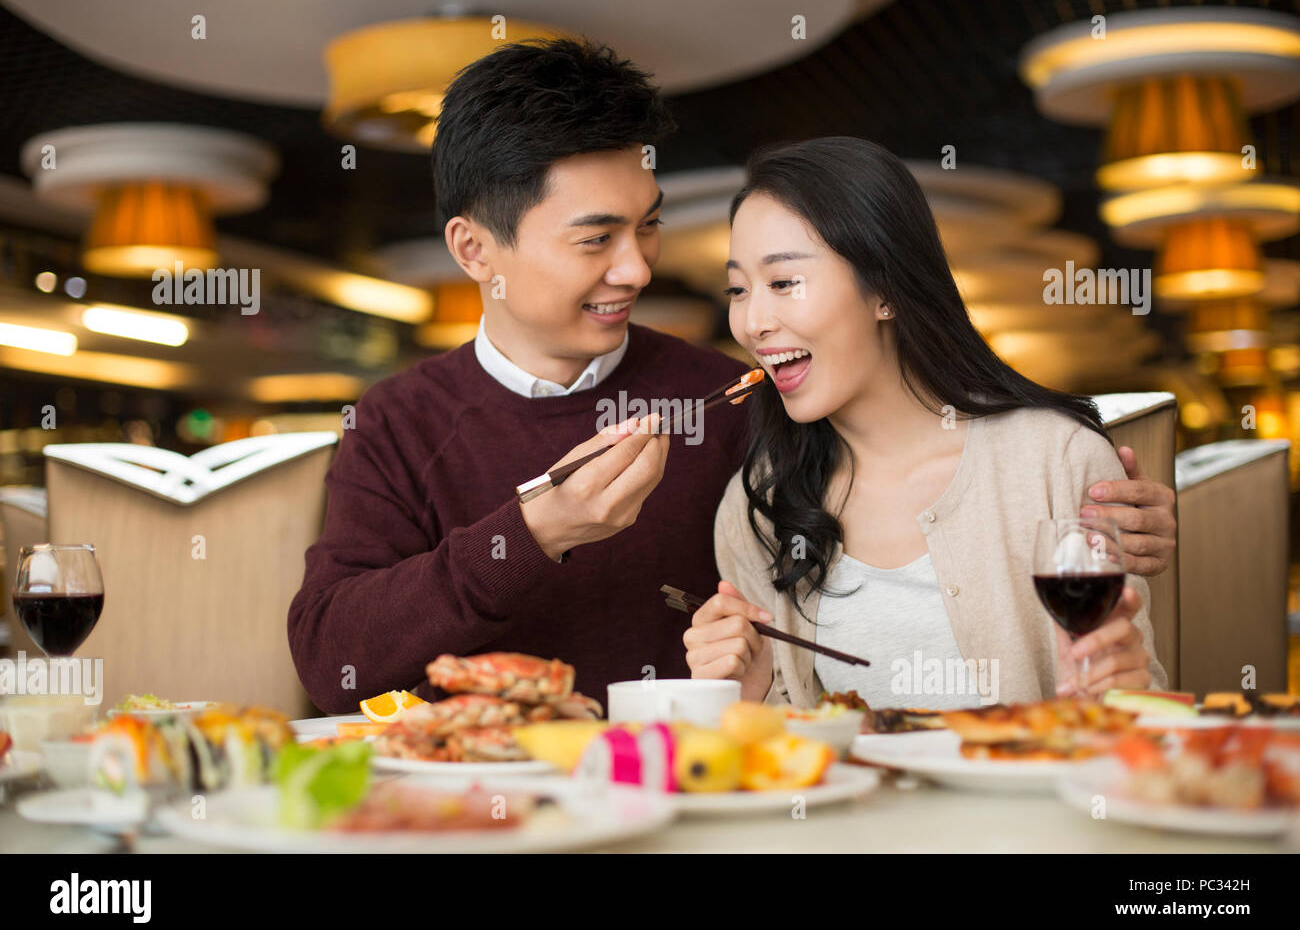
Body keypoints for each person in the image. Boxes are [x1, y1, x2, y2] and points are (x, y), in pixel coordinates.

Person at [288, 40, 1176, 715]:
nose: (636, 270)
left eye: (648, 228)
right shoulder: (398, 421)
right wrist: (531, 533)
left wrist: (1106, 510)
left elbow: (928, 476)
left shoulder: (740, 406)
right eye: (596, 239)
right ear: (475, 250)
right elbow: (333, 659)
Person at [684, 137, 1172, 709]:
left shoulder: (1055, 460)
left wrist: (1121, 695)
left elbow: (1137, 713)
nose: (752, 321)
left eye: (784, 282)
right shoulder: (758, 506)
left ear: (885, 289)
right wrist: (748, 695)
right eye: (738, 290)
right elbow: (786, 757)